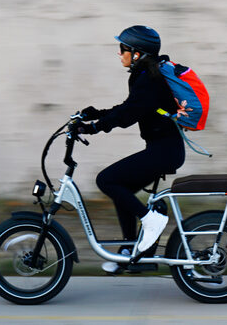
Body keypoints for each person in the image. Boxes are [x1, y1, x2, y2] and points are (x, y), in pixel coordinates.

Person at [73, 25, 185, 273]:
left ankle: (150, 221)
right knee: (120, 187)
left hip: (165, 151)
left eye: (123, 49)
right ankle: (131, 252)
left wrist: (94, 128)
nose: (119, 53)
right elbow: (130, 108)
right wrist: (96, 115)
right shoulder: (146, 76)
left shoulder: (149, 79)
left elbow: (128, 115)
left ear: (137, 53)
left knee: (107, 180)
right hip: (163, 149)